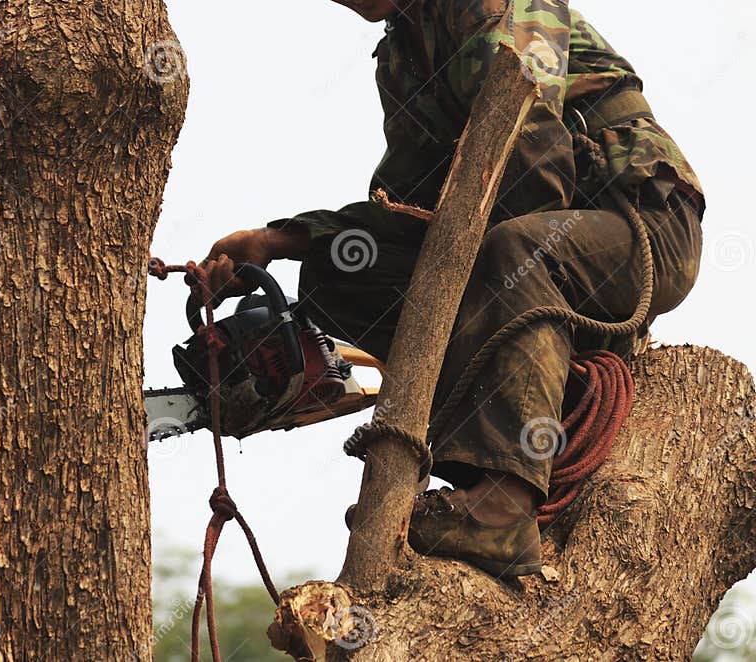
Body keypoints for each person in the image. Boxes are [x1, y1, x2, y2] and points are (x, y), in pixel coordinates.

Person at [197, 0, 704, 576]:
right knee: (337, 272)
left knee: (517, 248)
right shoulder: (402, 52)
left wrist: (480, 285)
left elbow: (534, 163)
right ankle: (502, 430)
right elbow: (409, 205)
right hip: (521, 242)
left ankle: (503, 509)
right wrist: (283, 240)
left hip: (641, 225)